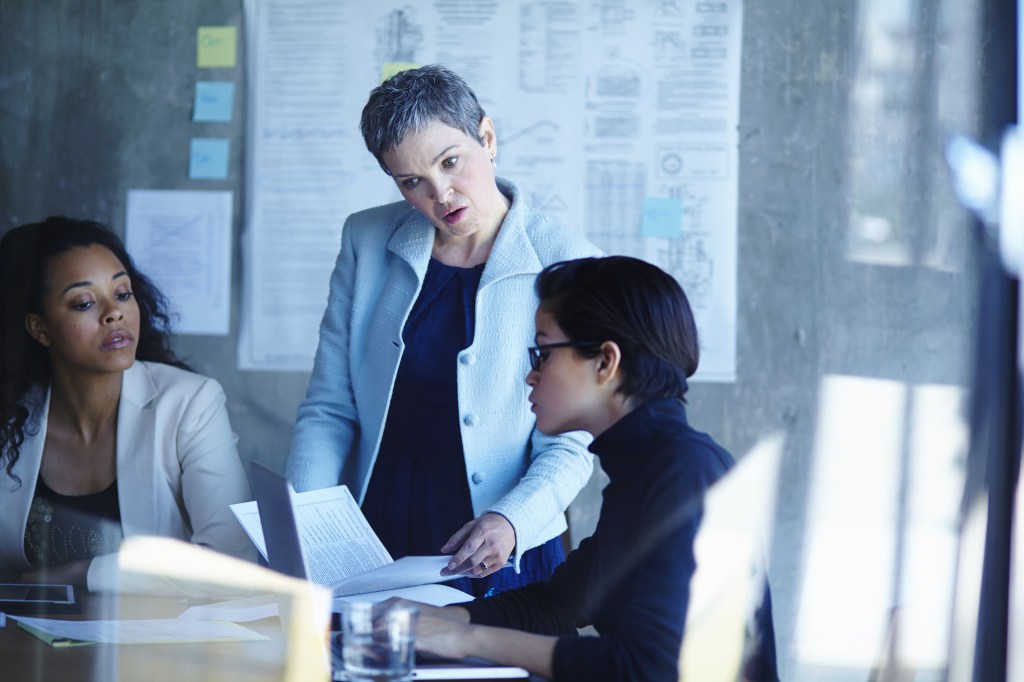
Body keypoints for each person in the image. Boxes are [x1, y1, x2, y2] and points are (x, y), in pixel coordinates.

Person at [286, 64, 601, 596]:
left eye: (451, 162)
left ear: (487, 138)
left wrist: (513, 520)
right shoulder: (366, 238)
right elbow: (330, 407)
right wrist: (301, 527)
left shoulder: (570, 262)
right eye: (412, 182)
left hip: (499, 545)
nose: (441, 194)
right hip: (376, 526)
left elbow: (573, 440)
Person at [405, 256, 779, 681]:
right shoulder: (645, 465)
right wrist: (432, 619)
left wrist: (466, 640)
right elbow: (557, 604)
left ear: (605, 362)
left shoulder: (684, 472)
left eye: (542, 354)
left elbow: (648, 668)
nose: (530, 376)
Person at [0, 217, 255, 593]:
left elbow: (232, 559)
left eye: (122, 293)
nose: (114, 312)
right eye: (84, 302)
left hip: (158, 630)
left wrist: (83, 575)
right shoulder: (10, 413)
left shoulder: (190, 403)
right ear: (40, 329)